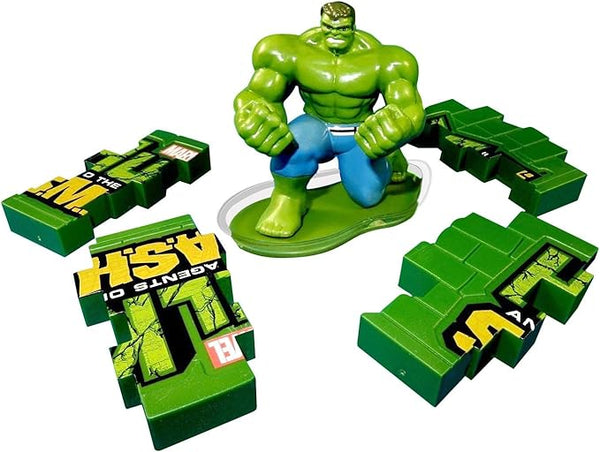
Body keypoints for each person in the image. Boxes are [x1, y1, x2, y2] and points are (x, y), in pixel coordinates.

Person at [234, 2, 424, 237]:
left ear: (353, 26)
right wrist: (256, 114)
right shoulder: (288, 51)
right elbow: (257, 95)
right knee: (289, 148)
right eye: (329, 27)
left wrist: (400, 127)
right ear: (321, 24)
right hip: (316, 126)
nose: (335, 34)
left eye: (343, 28)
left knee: (367, 197)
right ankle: (288, 197)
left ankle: (390, 155)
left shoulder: (386, 60)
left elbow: (410, 108)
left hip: (359, 131)